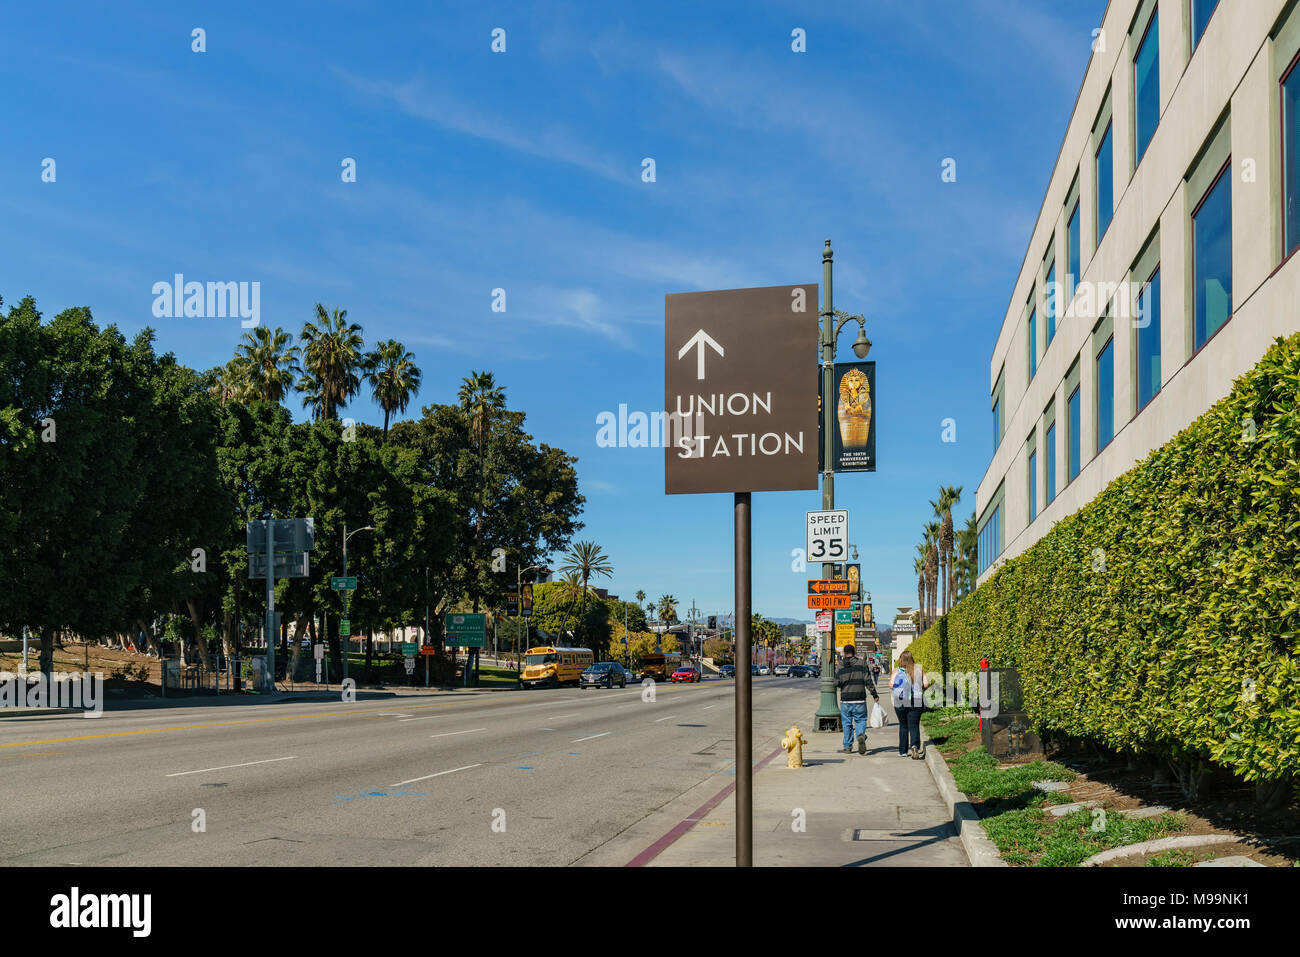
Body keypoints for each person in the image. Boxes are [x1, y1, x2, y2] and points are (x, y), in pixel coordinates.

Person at [835, 644, 880, 755]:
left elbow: (836, 683)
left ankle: (847, 747)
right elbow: (868, 681)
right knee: (860, 720)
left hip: (846, 699)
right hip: (860, 699)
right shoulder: (862, 663)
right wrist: (874, 694)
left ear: (844, 653)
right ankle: (860, 735)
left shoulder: (839, 666)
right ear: (854, 652)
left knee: (847, 724)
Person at [892, 650, 931, 759]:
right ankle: (914, 746)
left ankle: (903, 751)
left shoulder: (897, 671)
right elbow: (926, 684)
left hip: (900, 700)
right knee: (914, 725)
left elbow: (891, 685)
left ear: (901, 659)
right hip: (916, 700)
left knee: (903, 725)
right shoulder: (919, 669)